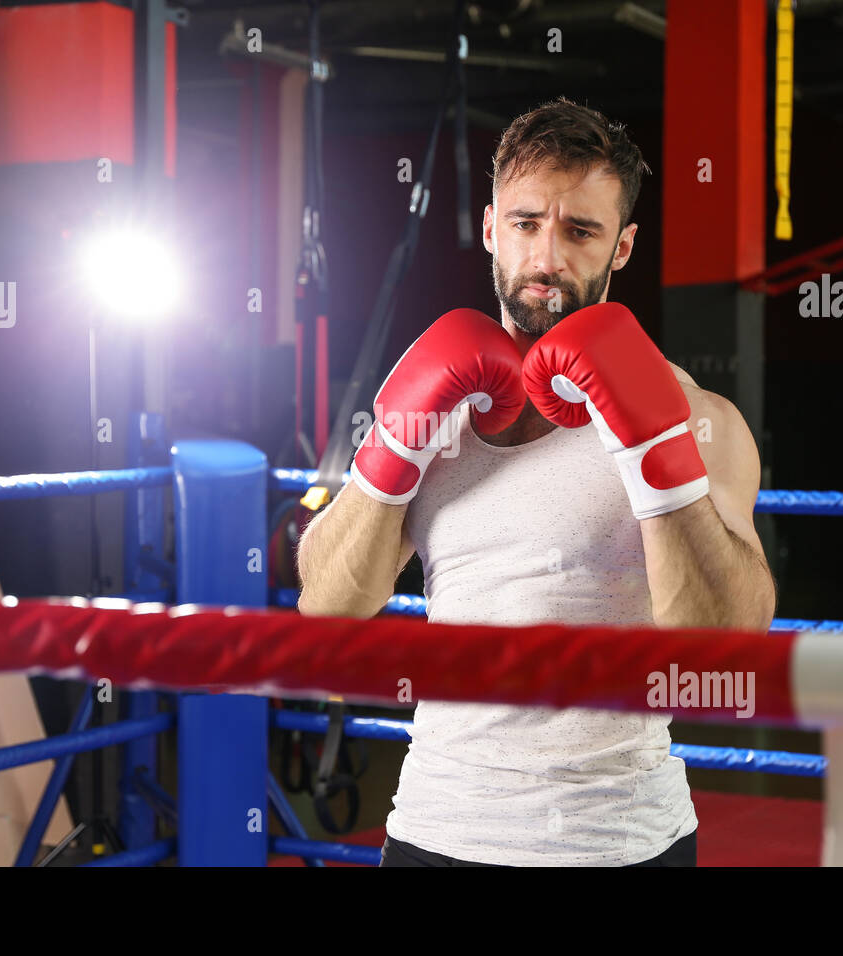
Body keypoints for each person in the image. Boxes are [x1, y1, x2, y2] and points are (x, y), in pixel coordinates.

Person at [296, 97, 776, 867]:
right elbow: (327, 606)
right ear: (491, 229)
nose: (547, 258)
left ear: (622, 246)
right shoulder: (431, 403)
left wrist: (655, 453)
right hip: (436, 832)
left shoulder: (695, 415)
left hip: (619, 843)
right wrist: (390, 453)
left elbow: (725, 651)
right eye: (525, 224)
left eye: (580, 230)